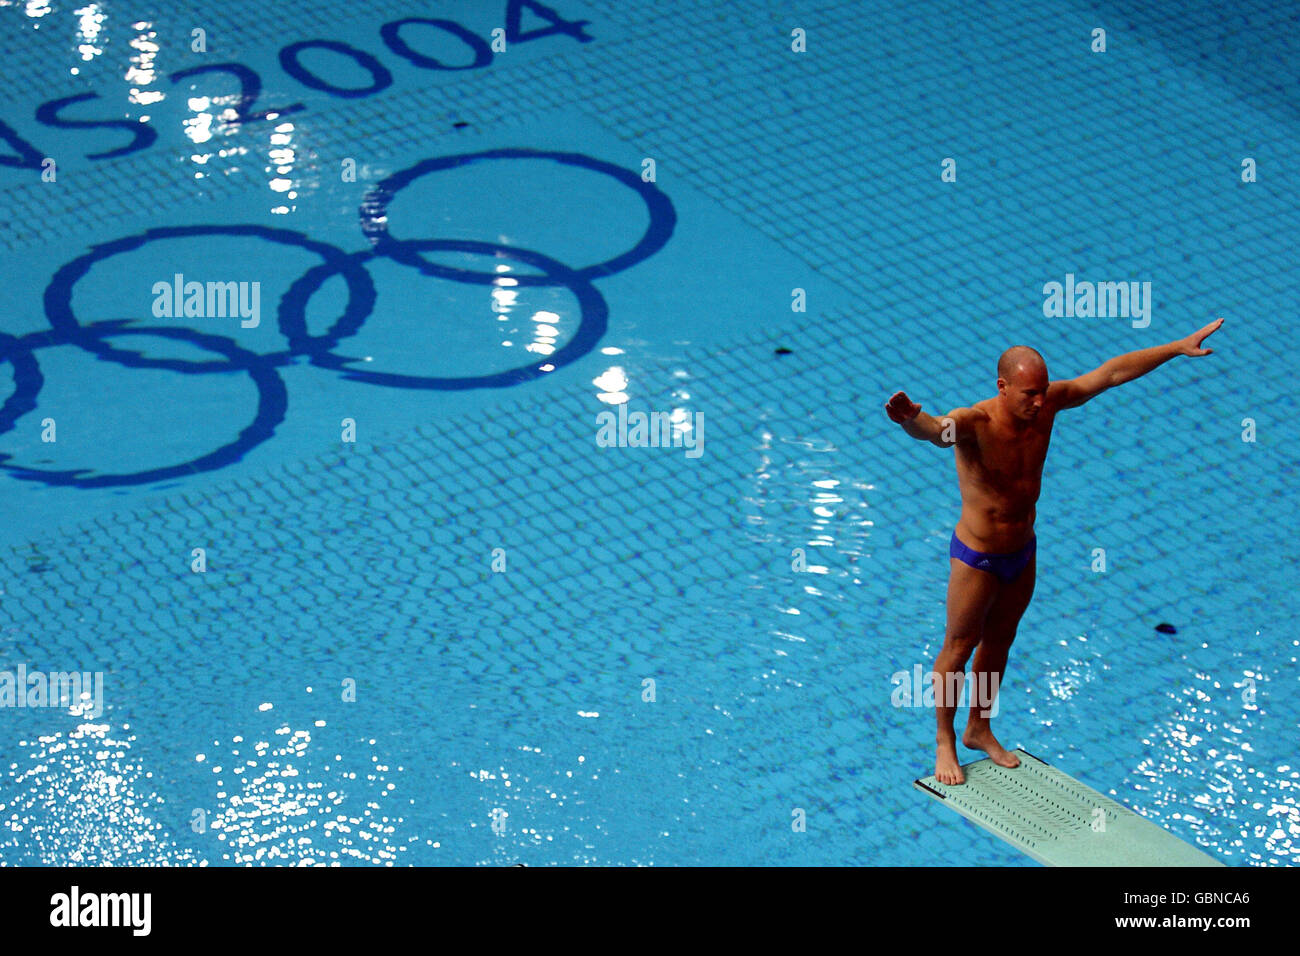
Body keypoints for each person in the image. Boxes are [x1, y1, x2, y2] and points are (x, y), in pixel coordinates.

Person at [885, 318, 1223, 784]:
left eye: (1043, 391)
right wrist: (911, 420)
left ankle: (978, 728)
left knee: (999, 642)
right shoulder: (975, 423)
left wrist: (1176, 347)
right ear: (1002, 387)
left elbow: (1109, 374)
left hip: (1022, 551)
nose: (1040, 401)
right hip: (978, 557)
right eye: (1030, 394)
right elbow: (935, 430)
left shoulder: (1046, 408)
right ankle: (945, 741)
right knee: (959, 648)